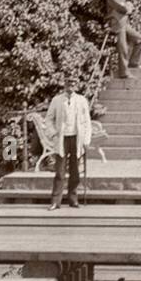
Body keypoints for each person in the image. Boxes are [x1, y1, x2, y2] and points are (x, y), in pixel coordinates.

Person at [45, 78, 93, 210]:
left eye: (73, 84)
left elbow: (87, 122)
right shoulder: (57, 100)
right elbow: (49, 119)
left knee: (75, 171)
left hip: (76, 138)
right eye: (68, 84)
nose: (70, 86)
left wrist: (86, 140)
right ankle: (55, 201)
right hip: (62, 139)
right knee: (60, 171)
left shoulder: (82, 100)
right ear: (64, 85)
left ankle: (73, 199)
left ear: (76, 85)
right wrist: (54, 133)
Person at [105, 0, 141, 78]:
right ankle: (124, 73)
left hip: (124, 23)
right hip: (117, 24)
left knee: (140, 40)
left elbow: (127, 8)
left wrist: (128, 6)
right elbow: (124, 9)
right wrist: (128, 5)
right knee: (123, 48)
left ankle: (134, 62)